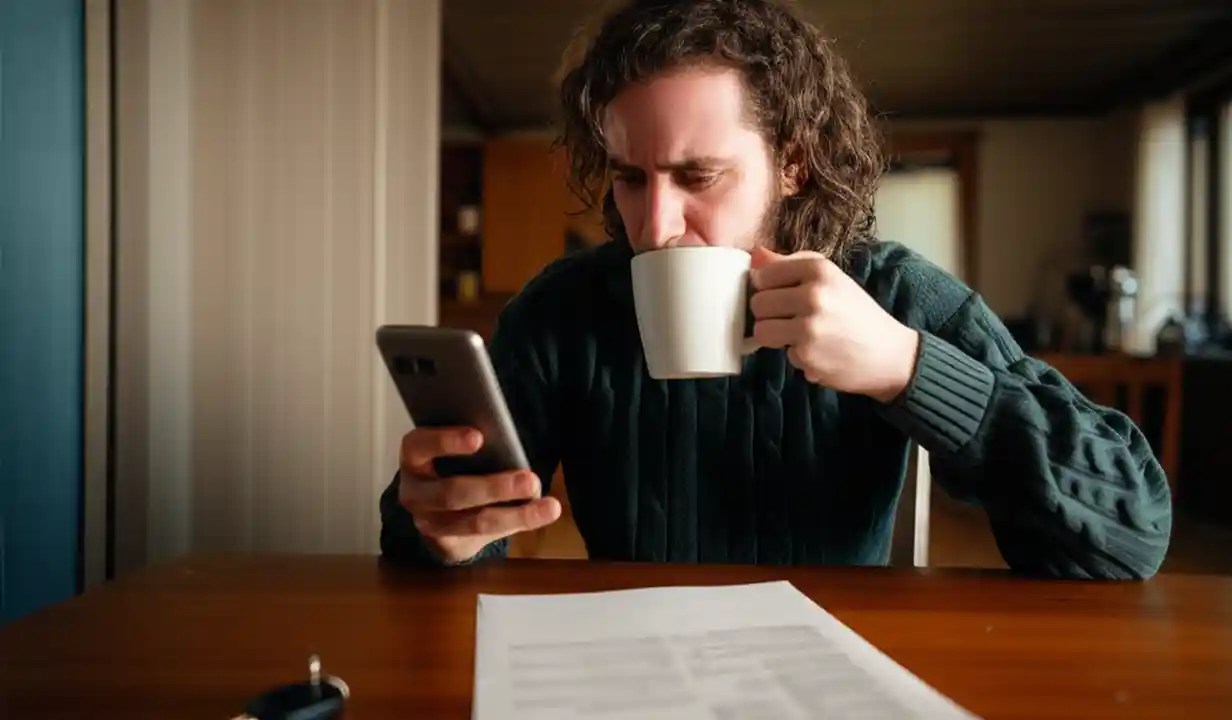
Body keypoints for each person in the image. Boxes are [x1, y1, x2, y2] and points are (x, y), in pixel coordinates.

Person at [380, 0, 1172, 579]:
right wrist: (440, 527)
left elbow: (1130, 532)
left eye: (699, 176)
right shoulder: (566, 310)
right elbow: (444, 545)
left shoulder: (890, 292)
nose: (653, 226)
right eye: (629, 177)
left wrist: (907, 366)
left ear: (791, 164)